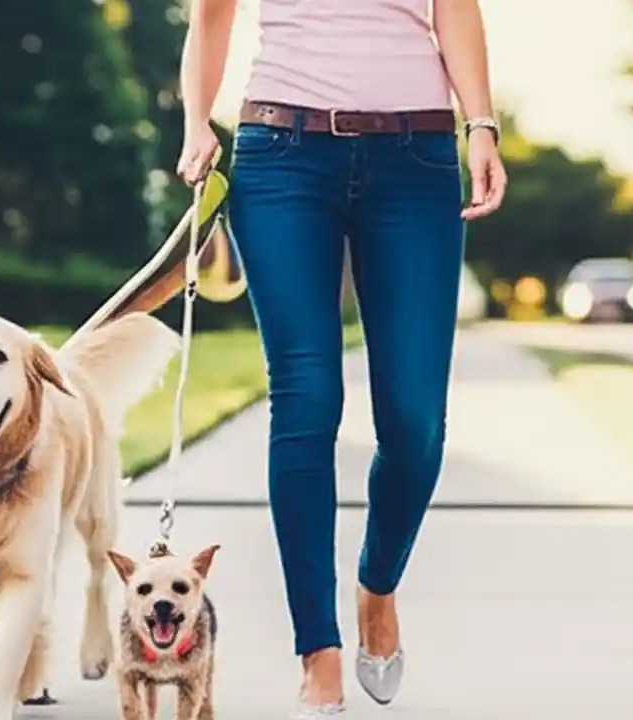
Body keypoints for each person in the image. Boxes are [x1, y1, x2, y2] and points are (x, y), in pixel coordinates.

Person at [176, 0, 506, 715]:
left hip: (416, 158)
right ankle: (317, 651)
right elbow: (211, 14)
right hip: (282, 154)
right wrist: (197, 121)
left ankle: (377, 586)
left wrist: (481, 124)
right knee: (307, 396)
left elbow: (455, 8)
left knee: (415, 422)